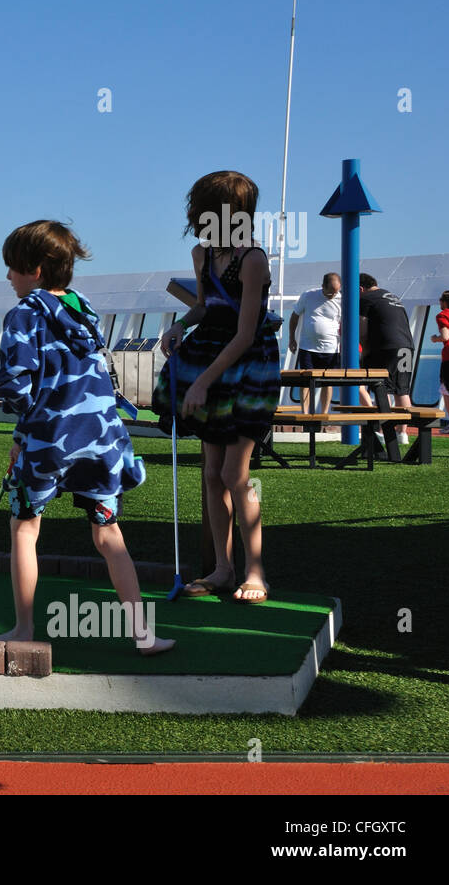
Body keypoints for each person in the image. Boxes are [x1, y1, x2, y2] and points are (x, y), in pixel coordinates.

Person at [0, 221, 173, 655]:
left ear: (34, 270)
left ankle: (23, 631)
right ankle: (143, 636)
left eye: (13, 268)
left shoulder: (24, 314)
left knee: (24, 529)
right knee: (109, 535)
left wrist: (23, 431)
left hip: (51, 439)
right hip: (102, 438)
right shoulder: (82, 309)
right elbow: (81, 380)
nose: (8, 277)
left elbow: (17, 386)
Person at [154, 171, 280, 604]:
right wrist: (178, 325)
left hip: (249, 366)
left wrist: (201, 384)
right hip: (212, 354)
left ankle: (256, 572)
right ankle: (222, 570)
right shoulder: (202, 254)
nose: (194, 216)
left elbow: (246, 334)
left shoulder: (253, 260)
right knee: (211, 473)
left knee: (234, 473)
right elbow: (207, 307)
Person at [359, 274, 414, 439]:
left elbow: (362, 329)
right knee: (402, 390)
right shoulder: (393, 297)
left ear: (360, 289)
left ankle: (384, 432)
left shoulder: (366, 299)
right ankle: (402, 433)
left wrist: (366, 350)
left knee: (381, 390)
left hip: (385, 347)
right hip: (406, 345)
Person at [288, 272, 342, 415]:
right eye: (329, 292)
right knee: (305, 381)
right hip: (308, 347)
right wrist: (292, 338)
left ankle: (324, 414)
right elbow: (294, 316)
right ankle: (305, 413)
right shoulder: (308, 295)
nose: (332, 296)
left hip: (331, 349)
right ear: (322, 286)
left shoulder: (342, 299)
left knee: (327, 382)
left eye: (335, 293)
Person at [430, 290, 449, 434]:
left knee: (447, 391)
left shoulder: (443, 315)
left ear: (444, 302)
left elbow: (445, 337)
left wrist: (435, 338)